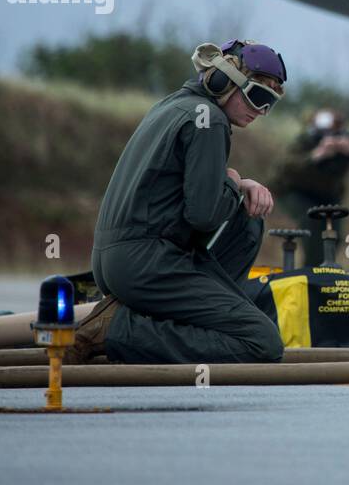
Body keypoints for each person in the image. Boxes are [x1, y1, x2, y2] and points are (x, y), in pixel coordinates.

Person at [65, 39, 289, 365]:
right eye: (258, 96)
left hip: (118, 262)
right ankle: (116, 330)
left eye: (270, 103)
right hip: (148, 264)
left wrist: (237, 186)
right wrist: (233, 181)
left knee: (249, 220)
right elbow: (203, 216)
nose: (261, 110)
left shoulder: (170, 107)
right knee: (262, 342)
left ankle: (132, 320)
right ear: (223, 80)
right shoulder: (209, 120)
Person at [272, 108, 349, 268]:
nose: (330, 135)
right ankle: (310, 271)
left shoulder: (346, 138)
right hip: (296, 191)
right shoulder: (307, 139)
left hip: (328, 195)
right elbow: (286, 166)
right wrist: (316, 155)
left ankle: (323, 268)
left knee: (335, 235)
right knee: (311, 226)